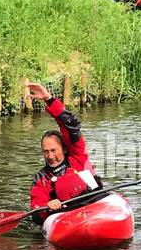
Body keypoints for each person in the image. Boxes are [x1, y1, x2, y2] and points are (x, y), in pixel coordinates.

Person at [26, 82, 103, 224]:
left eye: (53, 150)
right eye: (45, 152)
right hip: (67, 217)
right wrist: (47, 208)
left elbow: (72, 125)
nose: (50, 156)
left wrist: (49, 99)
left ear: (65, 148)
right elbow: (36, 212)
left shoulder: (77, 157)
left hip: (96, 204)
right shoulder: (41, 179)